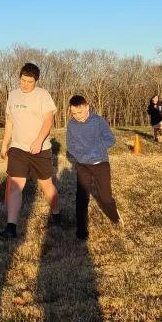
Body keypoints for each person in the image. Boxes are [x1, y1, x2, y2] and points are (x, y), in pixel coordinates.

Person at [0, 62, 60, 239]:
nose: (25, 84)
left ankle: (56, 213)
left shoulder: (43, 95)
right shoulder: (13, 95)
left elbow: (49, 121)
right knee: (16, 186)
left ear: (36, 81)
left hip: (40, 149)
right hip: (18, 148)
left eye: (29, 81)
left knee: (46, 185)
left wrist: (39, 141)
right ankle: (11, 227)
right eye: (23, 80)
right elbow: (10, 122)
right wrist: (5, 144)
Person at [66, 94, 122, 241]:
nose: (77, 116)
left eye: (79, 112)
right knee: (82, 198)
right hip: (83, 165)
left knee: (105, 197)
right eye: (73, 113)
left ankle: (115, 217)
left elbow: (111, 139)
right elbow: (70, 146)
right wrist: (81, 157)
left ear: (87, 107)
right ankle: (81, 231)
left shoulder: (98, 121)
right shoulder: (71, 125)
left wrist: (95, 151)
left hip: (100, 164)